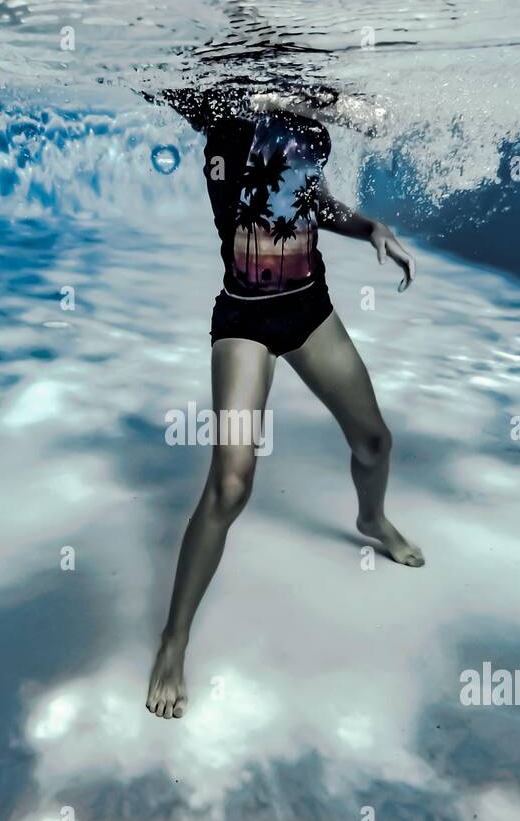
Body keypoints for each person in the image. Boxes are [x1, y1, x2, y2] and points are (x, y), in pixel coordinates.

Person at [147, 84, 423, 720]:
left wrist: (368, 227)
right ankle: (173, 640)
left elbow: (306, 198)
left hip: (309, 307)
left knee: (375, 441)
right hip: (243, 318)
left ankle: (371, 520)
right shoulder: (227, 107)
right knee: (232, 485)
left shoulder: (311, 99)